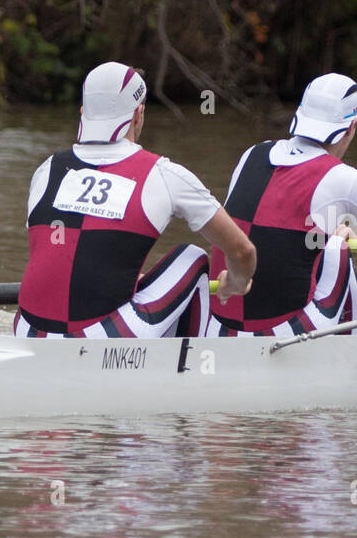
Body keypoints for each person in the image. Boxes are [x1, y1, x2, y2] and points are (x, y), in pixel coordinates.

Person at [16, 61, 255, 338]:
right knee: (193, 258)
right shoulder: (165, 174)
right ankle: (189, 369)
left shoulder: (46, 169)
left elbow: (63, 258)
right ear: (138, 114)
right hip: (101, 337)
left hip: (28, 331)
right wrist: (235, 283)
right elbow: (242, 252)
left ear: (83, 113)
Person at [208, 72, 357, 336]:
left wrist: (323, 233)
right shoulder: (345, 178)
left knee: (324, 242)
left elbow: (266, 227)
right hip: (280, 333)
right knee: (337, 248)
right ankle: (355, 351)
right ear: (351, 126)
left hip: (218, 326)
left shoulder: (253, 153)